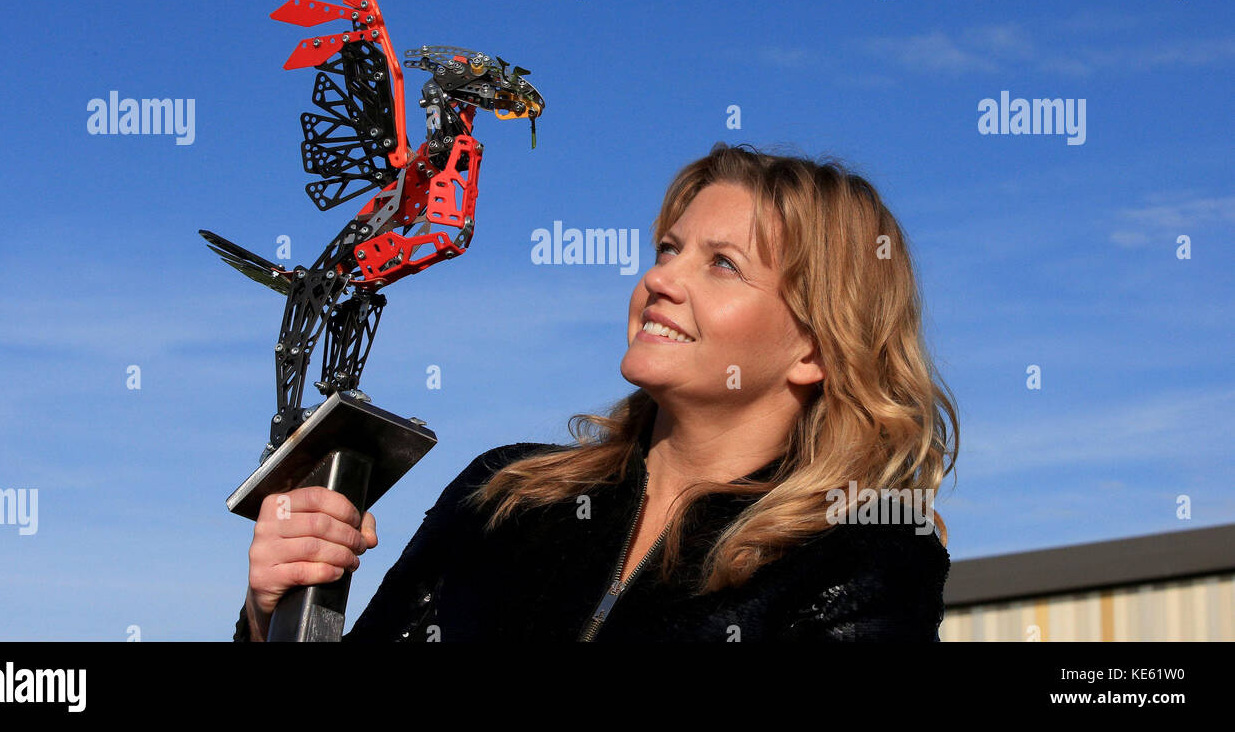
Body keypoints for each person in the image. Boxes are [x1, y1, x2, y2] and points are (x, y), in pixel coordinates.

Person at [234, 142, 960, 642]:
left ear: (814, 348)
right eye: (670, 249)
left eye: (723, 265)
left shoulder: (867, 550)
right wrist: (276, 613)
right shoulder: (506, 492)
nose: (661, 280)